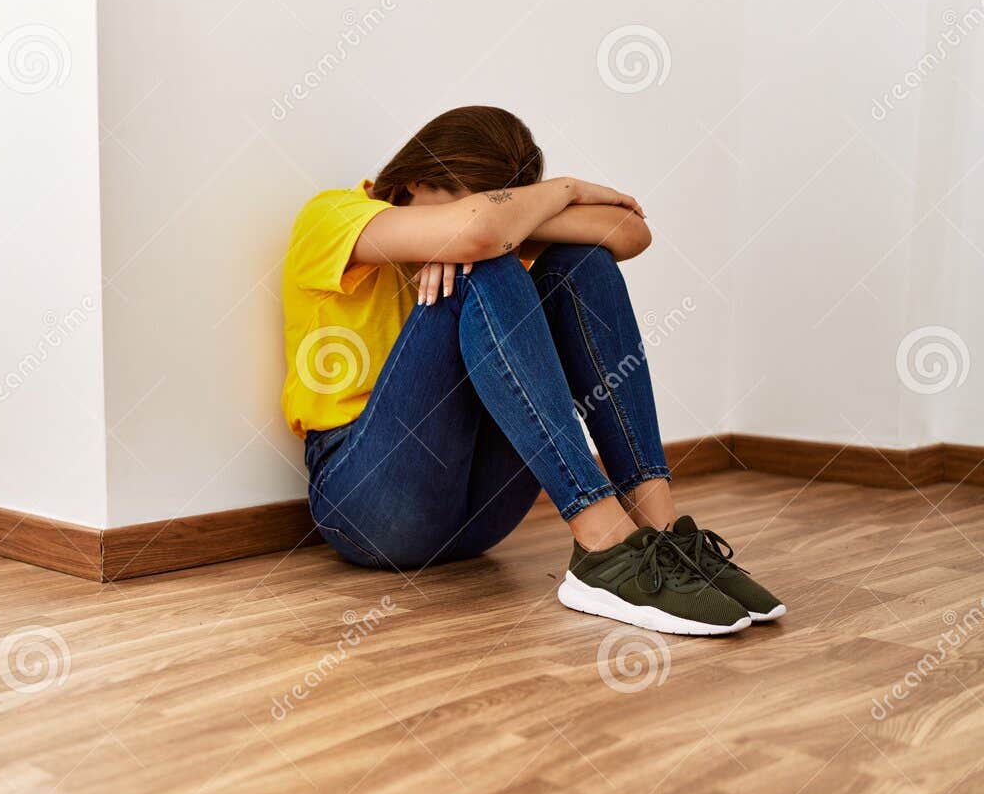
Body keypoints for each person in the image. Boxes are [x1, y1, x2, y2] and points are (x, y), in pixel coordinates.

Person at [281, 106, 783, 636]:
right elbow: (479, 235)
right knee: (485, 263)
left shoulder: (492, 230)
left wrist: (505, 219)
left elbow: (629, 233)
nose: (494, 229)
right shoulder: (333, 215)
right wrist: (560, 192)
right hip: (370, 503)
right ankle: (602, 544)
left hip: (482, 520)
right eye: (475, 206)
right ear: (416, 182)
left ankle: (661, 532)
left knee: (580, 262)